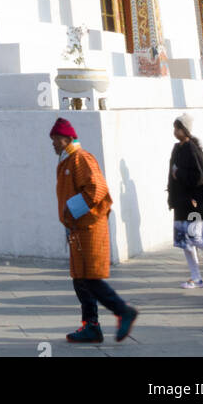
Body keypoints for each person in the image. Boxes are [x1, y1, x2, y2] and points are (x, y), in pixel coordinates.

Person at [50, 117, 138, 343]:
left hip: (88, 227)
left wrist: (71, 210)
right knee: (80, 278)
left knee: (89, 278)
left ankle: (122, 311)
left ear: (68, 138)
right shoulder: (68, 161)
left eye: (56, 139)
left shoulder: (80, 158)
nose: (53, 143)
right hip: (78, 229)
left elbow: (96, 189)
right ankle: (91, 326)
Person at [167, 113, 203, 288]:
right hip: (181, 203)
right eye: (175, 128)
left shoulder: (192, 150)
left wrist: (178, 174)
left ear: (185, 130)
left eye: (178, 128)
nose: (175, 131)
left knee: (197, 239)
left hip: (193, 204)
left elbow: (201, 176)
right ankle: (196, 277)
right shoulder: (178, 149)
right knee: (186, 243)